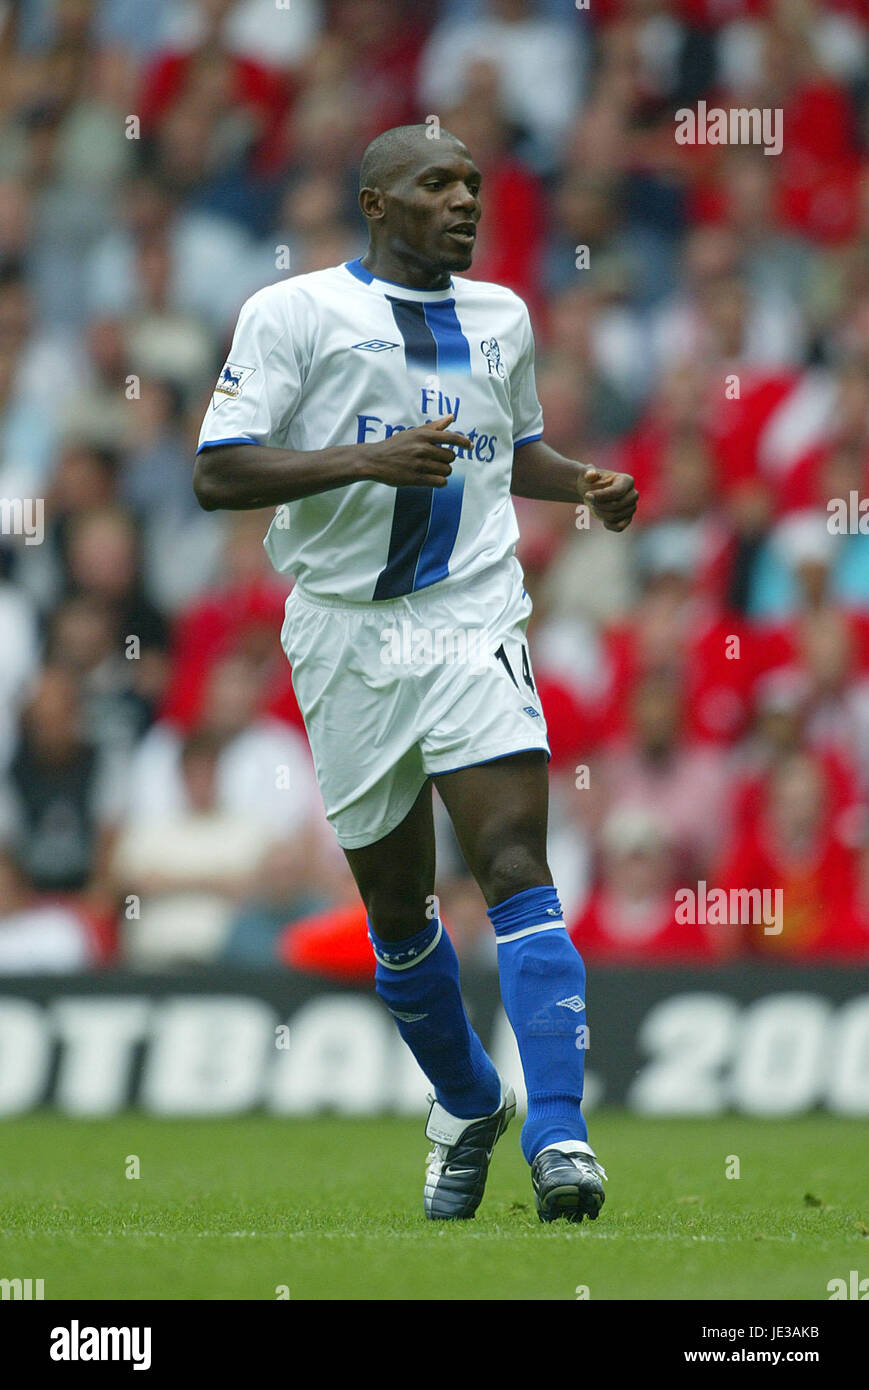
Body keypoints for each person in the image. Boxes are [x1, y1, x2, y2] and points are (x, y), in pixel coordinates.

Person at [193, 124, 637, 1222]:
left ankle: (559, 1133)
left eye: (475, 186)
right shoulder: (289, 312)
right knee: (397, 916)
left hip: (468, 610)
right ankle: (465, 1099)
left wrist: (577, 479)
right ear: (377, 204)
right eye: (437, 184)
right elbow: (217, 471)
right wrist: (362, 459)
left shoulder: (502, 317)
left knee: (511, 857)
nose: (465, 202)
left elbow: (505, 445)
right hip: (344, 632)